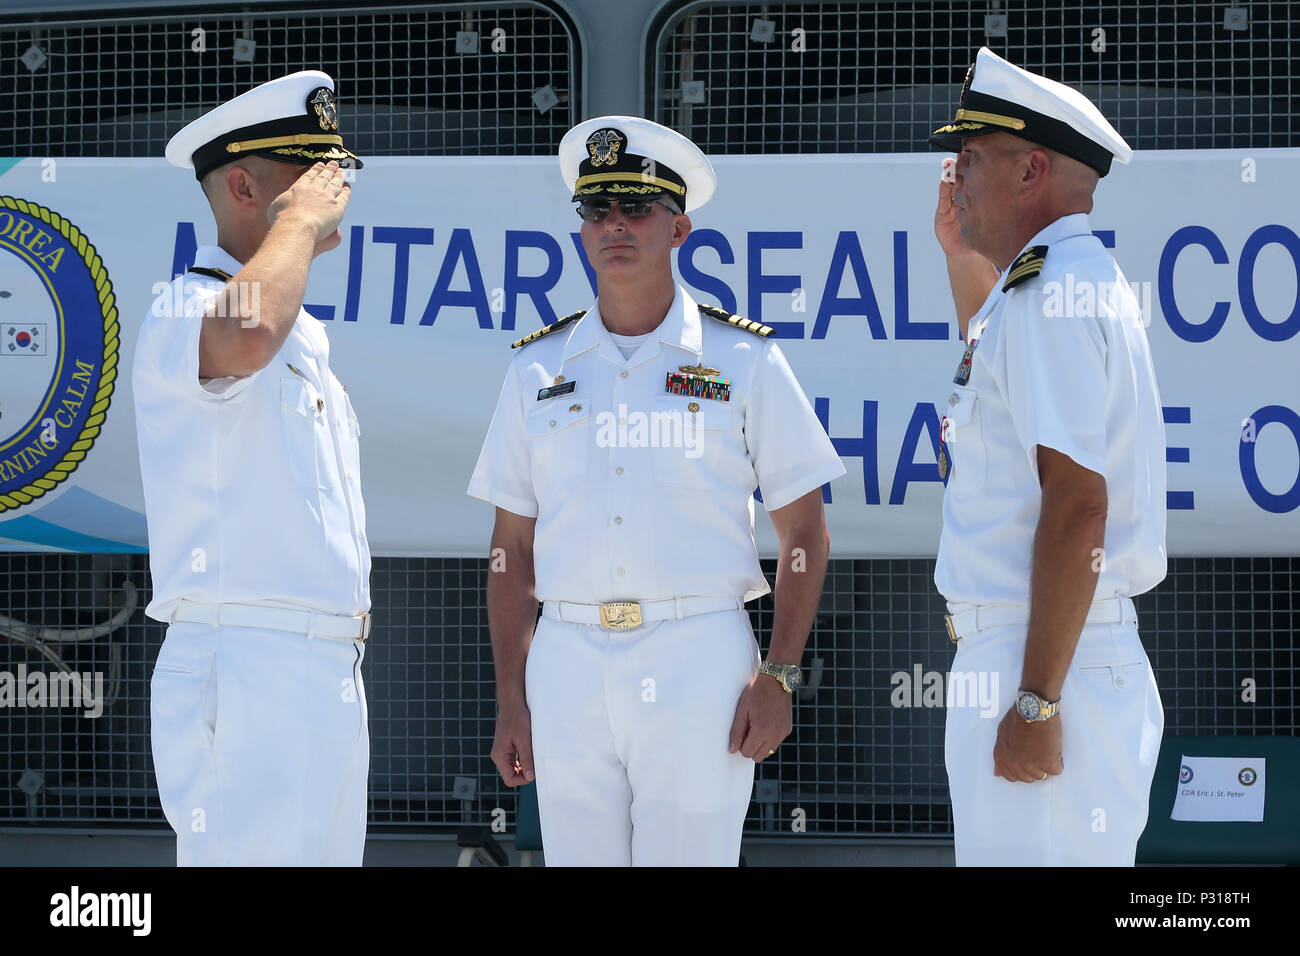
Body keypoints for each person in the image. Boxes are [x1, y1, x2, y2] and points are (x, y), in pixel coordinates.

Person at [468, 116, 846, 866]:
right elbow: (510, 549)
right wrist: (512, 697)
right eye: (596, 209)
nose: (615, 225)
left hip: (697, 654)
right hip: (567, 658)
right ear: (580, 231)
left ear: (679, 228)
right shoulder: (535, 370)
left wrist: (778, 676)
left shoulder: (745, 360)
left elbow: (805, 534)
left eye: (636, 208)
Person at [928, 47, 1167, 865]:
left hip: (1045, 658)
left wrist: (1035, 702)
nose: (954, 177)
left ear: (1031, 169)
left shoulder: (1047, 297)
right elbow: (985, 367)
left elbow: (1078, 507)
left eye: (970, 160)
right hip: (1050, 654)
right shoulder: (1048, 287)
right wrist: (963, 254)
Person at [133, 71, 371, 866]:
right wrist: (298, 223)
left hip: (324, 667)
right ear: (243, 184)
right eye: (311, 176)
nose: (333, 193)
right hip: (246, 666)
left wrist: (296, 221)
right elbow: (246, 333)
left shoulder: (306, 338)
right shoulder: (183, 306)